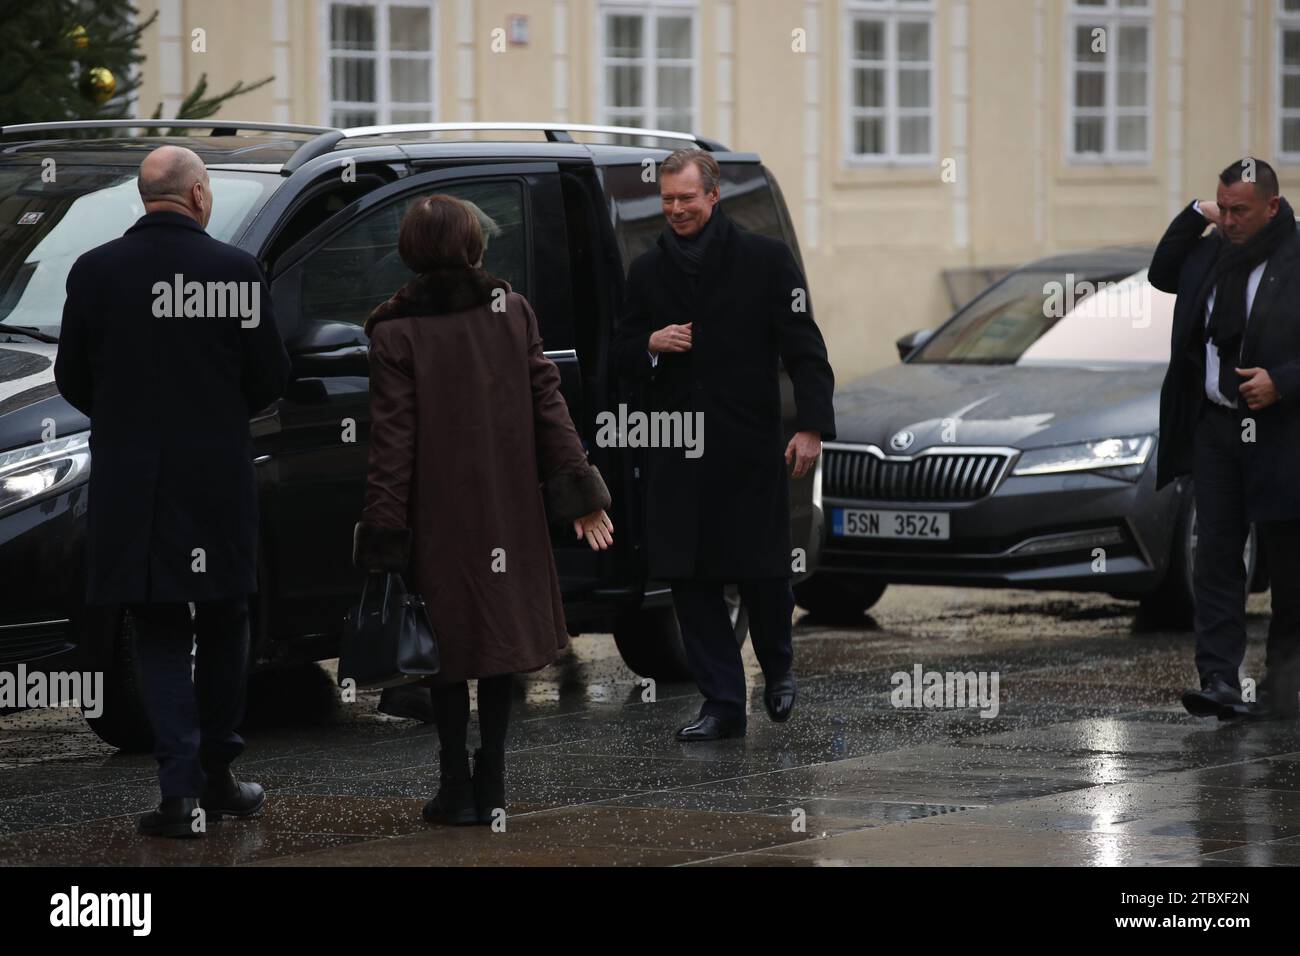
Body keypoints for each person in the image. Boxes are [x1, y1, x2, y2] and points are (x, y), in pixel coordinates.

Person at [353, 194, 613, 825]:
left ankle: (455, 786)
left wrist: (385, 537)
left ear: (411, 251)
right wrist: (578, 493)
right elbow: (550, 408)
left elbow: (393, 446)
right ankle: (491, 778)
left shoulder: (393, 331)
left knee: (442, 646)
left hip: (435, 515)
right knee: (497, 641)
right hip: (507, 510)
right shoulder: (511, 310)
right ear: (473, 245)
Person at [54, 145, 291, 837]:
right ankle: (220, 774)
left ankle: (178, 793)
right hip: (215, 479)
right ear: (196, 197)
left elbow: (74, 379)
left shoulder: (95, 272)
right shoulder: (235, 271)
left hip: (134, 485)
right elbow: (269, 376)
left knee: (158, 630)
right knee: (224, 619)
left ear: (144, 196)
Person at [611, 147, 835, 741]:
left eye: (687, 198)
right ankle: (722, 705)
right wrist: (651, 343)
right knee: (691, 581)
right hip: (677, 453)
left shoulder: (764, 259)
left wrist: (810, 427)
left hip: (747, 447)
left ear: (713, 196)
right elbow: (621, 354)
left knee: (763, 574)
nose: (677, 209)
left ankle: (779, 669)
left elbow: (806, 351)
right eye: (667, 201)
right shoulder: (647, 269)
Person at [1150, 157, 1300, 721]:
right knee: (1215, 555)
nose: (1230, 221)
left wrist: (1282, 382)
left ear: (1273, 207)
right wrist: (1195, 214)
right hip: (1217, 427)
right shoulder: (1210, 249)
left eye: (1241, 211)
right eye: (1223, 207)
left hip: (1283, 430)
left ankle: (1286, 684)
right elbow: (1161, 273)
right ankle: (1218, 680)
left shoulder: (1295, 255)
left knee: (1289, 564)